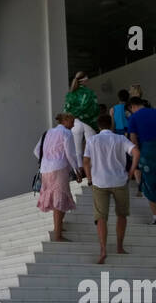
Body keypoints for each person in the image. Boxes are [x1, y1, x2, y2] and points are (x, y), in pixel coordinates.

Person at [83, 112, 141, 263]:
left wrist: (89, 179)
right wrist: (131, 171)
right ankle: (120, 246)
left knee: (101, 217)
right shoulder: (120, 138)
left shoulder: (92, 140)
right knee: (121, 214)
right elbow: (136, 152)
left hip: (99, 182)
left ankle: (103, 249)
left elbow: (86, 162)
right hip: (119, 181)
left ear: (98, 126)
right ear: (111, 124)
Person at [33, 111, 79, 240]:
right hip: (59, 169)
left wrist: (47, 160)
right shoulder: (66, 133)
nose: (73, 124)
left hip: (45, 169)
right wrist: (76, 170)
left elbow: (36, 151)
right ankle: (58, 234)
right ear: (65, 121)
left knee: (58, 197)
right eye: (72, 121)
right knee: (60, 198)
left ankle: (59, 227)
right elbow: (70, 154)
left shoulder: (48, 133)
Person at [64, 73, 98, 177]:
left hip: (76, 122)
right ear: (84, 81)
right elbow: (95, 108)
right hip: (89, 122)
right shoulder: (90, 93)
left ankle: (79, 173)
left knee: (77, 149)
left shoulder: (70, 94)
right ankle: (93, 171)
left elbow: (66, 110)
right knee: (91, 147)